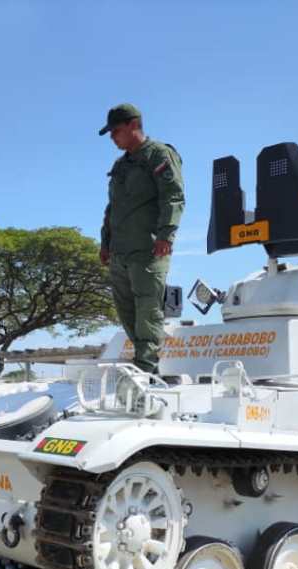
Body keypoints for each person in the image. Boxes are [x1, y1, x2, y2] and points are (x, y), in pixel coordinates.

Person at [99, 103, 186, 373]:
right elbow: (112, 208)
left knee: (148, 307)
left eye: (116, 131)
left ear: (134, 125)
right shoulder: (120, 165)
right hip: (120, 252)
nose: (113, 137)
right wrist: (105, 243)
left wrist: (166, 235)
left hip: (149, 249)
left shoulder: (158, 154)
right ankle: (144, 363)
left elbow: (173, 196)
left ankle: (146, 369)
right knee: (126, 311)